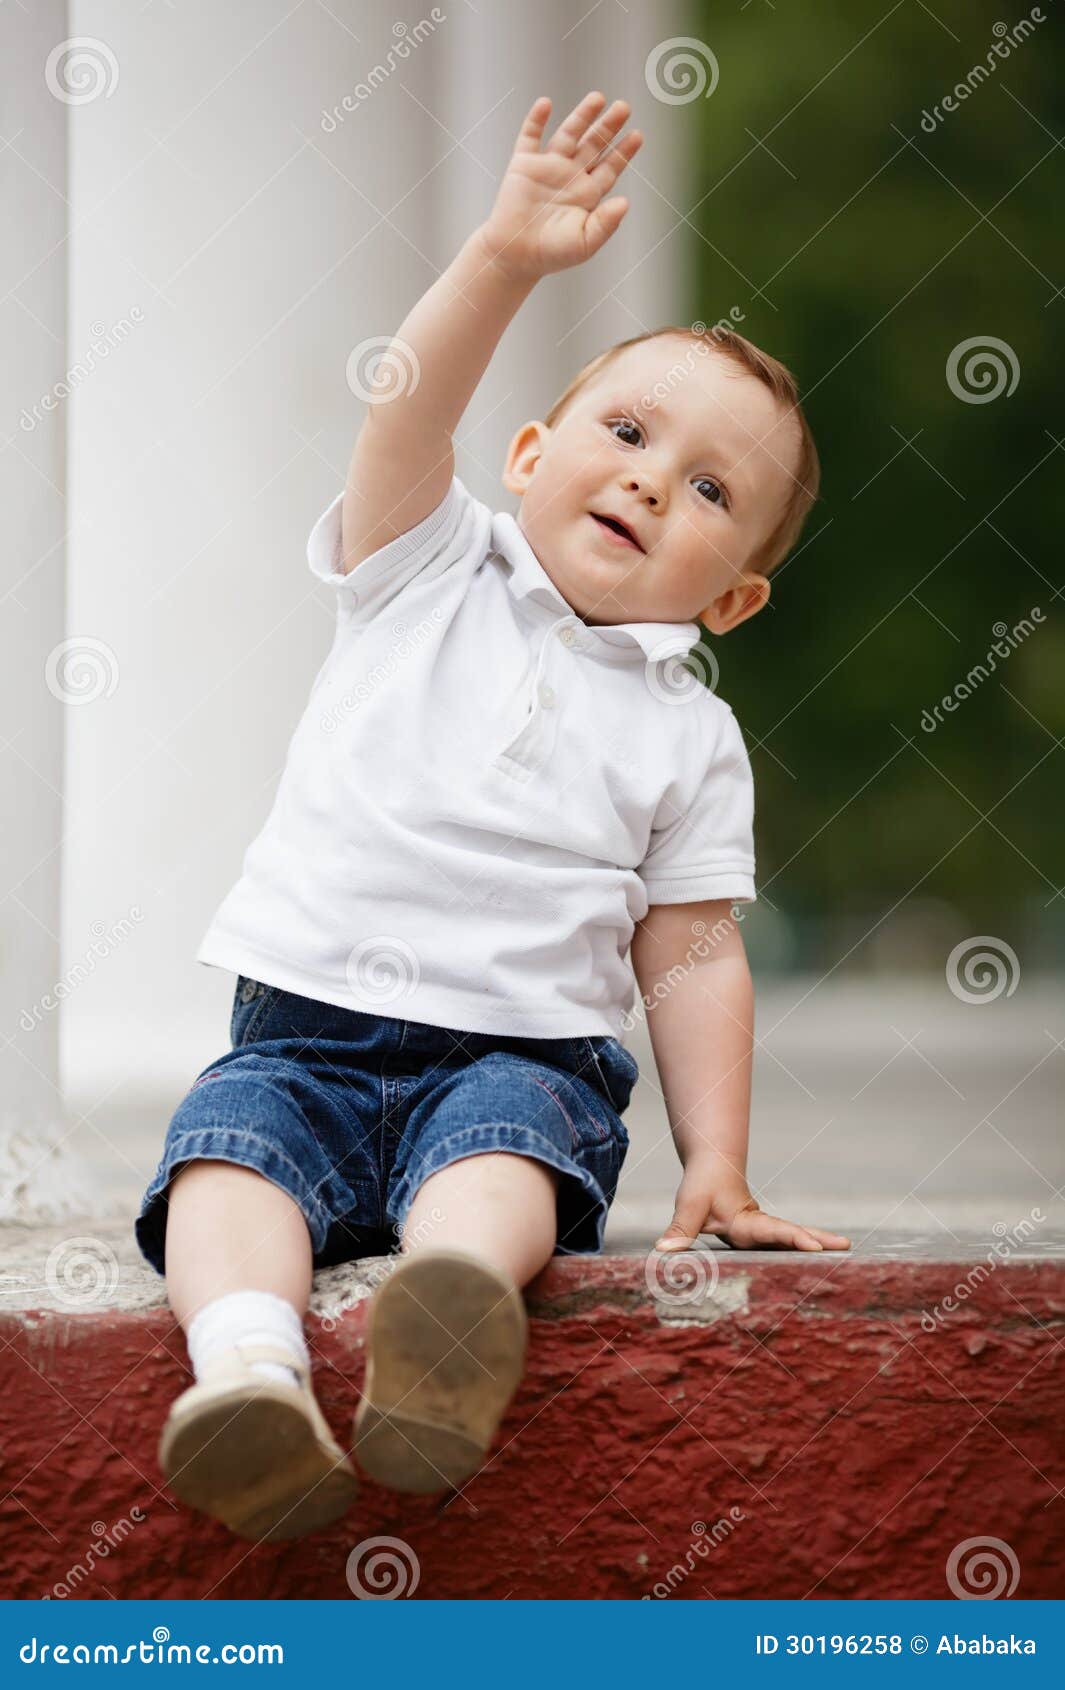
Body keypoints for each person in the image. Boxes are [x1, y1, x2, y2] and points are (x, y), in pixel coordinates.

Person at [135, 89, 850, 1544]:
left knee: (505, 1170)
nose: (651, 474)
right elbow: (407, 400)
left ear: (728, 598)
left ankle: (438, 1326)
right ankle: (251, 1376)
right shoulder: (422, 570)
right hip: (308, 1029)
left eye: (708, 486)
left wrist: (715, 1155)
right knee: (225, 1156)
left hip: (523, 1057)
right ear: (528, 455)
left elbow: (694, 948)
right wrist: (509, 256)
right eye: (629, 430)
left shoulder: (687, 732)